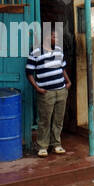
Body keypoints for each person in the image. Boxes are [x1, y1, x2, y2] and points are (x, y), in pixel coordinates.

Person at [26, 27, 71, 157]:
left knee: (58, 120)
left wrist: (68, 82)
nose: (57, 40)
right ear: (46, 37)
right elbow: (29, 73)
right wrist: (37, 88)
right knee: (44, 120)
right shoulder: (35, 51)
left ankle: (56, 144)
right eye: (54, 37)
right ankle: (42, 146)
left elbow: (62, 68)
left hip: (61, 91)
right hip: (46, 93)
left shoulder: (59, 50)